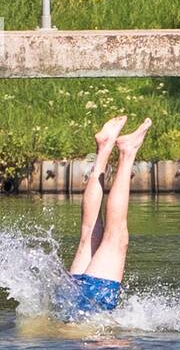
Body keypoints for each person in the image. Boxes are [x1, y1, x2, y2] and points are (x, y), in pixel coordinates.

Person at [55, 115, 152, 319]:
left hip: (91, 301)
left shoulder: (92, 341)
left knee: (115, 238)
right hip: (70, 294)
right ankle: (104, 150)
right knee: (89, 232)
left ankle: (127, 153)